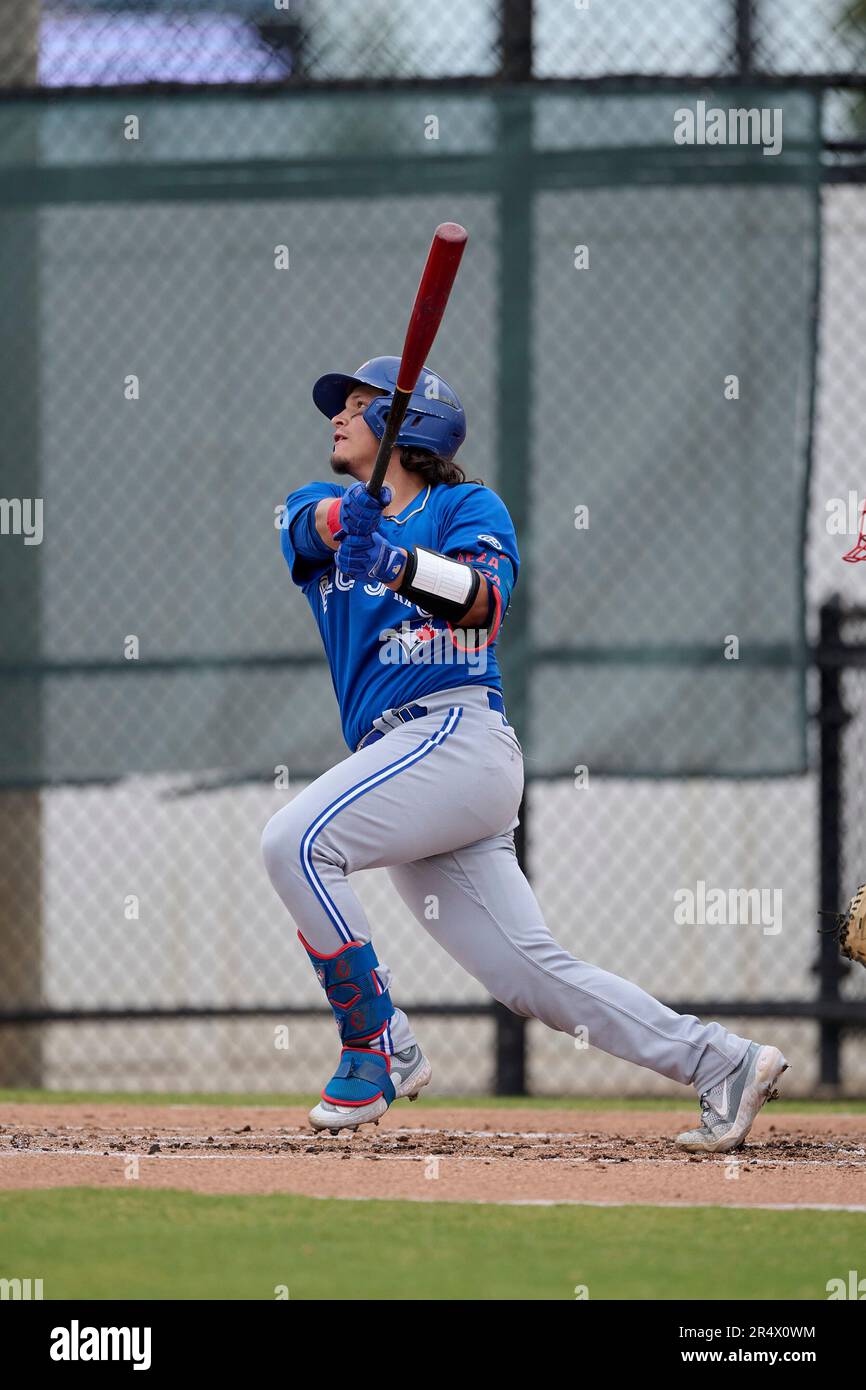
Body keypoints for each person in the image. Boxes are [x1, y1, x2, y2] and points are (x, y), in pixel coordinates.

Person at [261, 355, 789, 1149]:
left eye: (362, 405)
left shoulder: (467, 506)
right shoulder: (319, 503)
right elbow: (308, 529)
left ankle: (379, 1042)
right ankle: (722, 1061)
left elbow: (483, 606)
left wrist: (399, 564)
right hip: (406, 765)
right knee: (527, 975)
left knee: (294, 842)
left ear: (409, 426)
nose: (337, 416)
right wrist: (351, 527)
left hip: (453, 734)